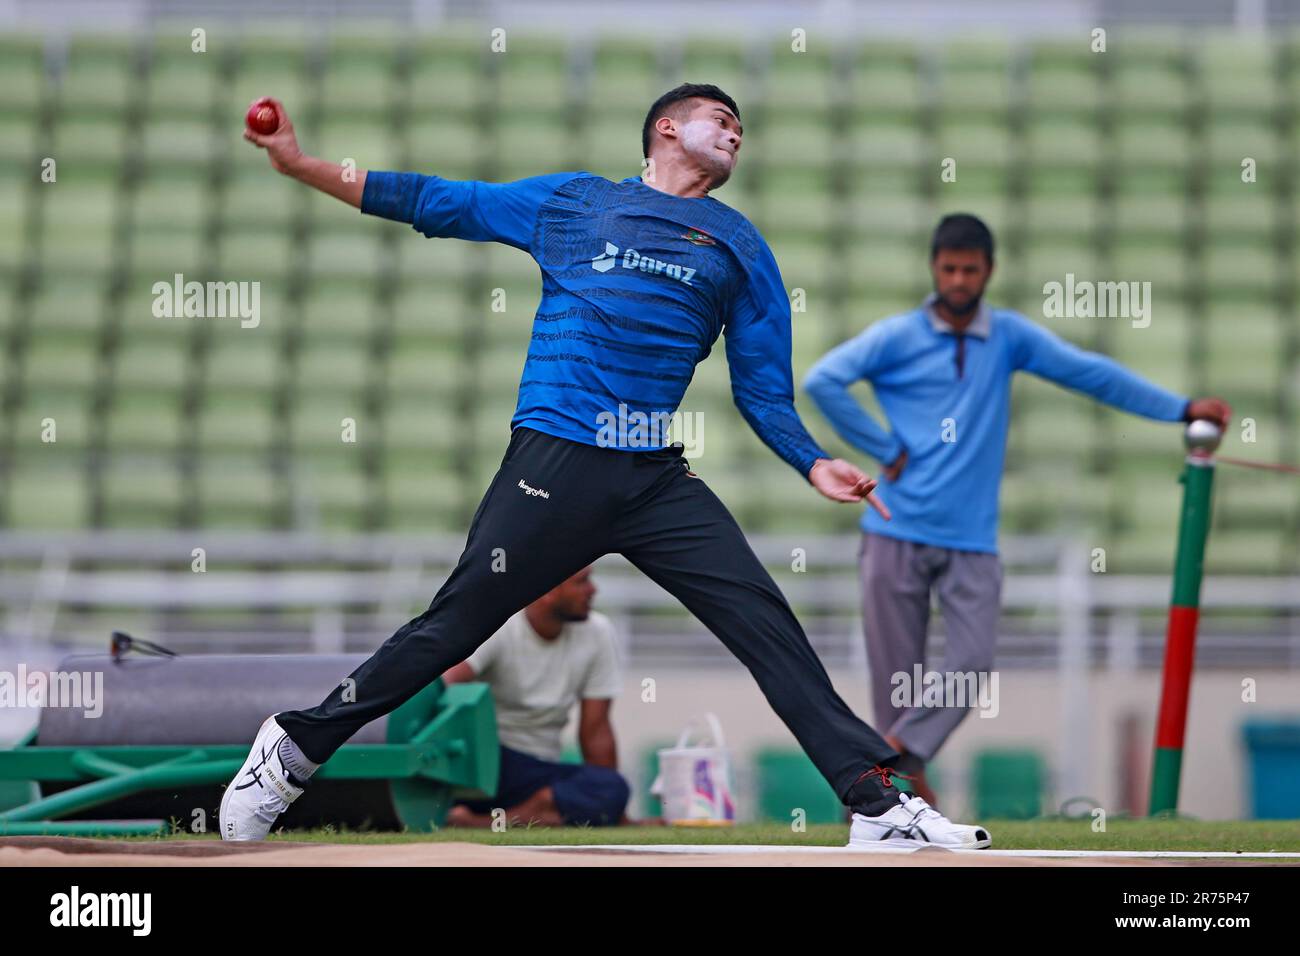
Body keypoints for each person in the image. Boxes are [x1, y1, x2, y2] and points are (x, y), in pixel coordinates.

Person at [220, 84, 991, 849]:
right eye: (719, 120)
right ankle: (292, 749)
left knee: (764, 621)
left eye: (741, 129)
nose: (734, 135)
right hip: (556, 459)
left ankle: (874, 802)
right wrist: (302, 165)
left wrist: (813, 461)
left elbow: (763, 391)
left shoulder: (741, 246)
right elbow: (438, 200)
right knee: (452, 627)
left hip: (652, 478)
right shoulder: (575, 203)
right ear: (666, 128)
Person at [802, 213, 1231, 805]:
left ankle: (889, 769)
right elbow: (822, 380)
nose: (958, 280)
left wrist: (1179, 407)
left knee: (972, 662)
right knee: (895, 690)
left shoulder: (1008, 338)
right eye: (948, 268)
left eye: (969, 270)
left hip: (972, 538)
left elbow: (1092, 375)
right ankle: (889, 805)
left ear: (989, 272)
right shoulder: (897, 335)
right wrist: (885, 447)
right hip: (892, 529)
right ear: (934, 268)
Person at [441, 566, 632, 827]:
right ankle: (524, 813)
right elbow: (443, 682)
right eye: (582, 581)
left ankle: (482, 820)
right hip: (490, 763)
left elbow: (596, 730)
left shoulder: (598, 631)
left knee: (609, 787)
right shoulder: (500, 623)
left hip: (540, 773)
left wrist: (613, 807)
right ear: (548, 591)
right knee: (607, 789)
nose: (593, 589)